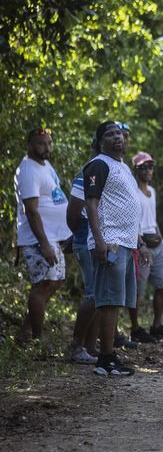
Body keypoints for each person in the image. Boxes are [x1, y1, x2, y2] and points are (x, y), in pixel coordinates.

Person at [84, 121, 143, 376]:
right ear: (100, 142)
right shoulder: (99, 164)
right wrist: (99, 240)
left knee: (116, 301)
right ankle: (105, 359)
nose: (117, 137)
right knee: (108, 301)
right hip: (109, 242)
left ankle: (110, 356)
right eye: (109, 134)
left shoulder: (122, 167)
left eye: (119, 133)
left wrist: (140, 243)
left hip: (126, 243)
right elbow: (91, 204)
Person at [14, 128, 72, 345]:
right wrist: (45, 244)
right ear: (30, 145)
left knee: (55, 282)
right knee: (43, 285)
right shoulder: (28, 170)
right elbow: (31, 210)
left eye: (49, 143)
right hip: (39, 239)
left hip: (52, 237)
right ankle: (38, 340)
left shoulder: (44, 164)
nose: (46, 148)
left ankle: (24, 332)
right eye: (41, 144)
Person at [129, 151, 163, 343]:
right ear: (136, 169)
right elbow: (133, 221)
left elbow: (152, 219)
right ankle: (135, 327)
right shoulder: (133, 191)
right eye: (143, 167)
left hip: (158, 244)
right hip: (142, 245)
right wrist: (141, 244)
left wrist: (161, 240)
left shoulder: (152, 191)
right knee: (138, 290)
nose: (148, 170)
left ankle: (157, 325)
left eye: (150, 166)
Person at [65, 138, 101, 364]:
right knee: (93, 294)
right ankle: (75, 347)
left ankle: (89, 346)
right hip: (85, 239)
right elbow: (73, 214)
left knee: (100, 295)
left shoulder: (106, 172)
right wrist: (82, 235)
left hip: (99, 241)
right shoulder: (87, 173)